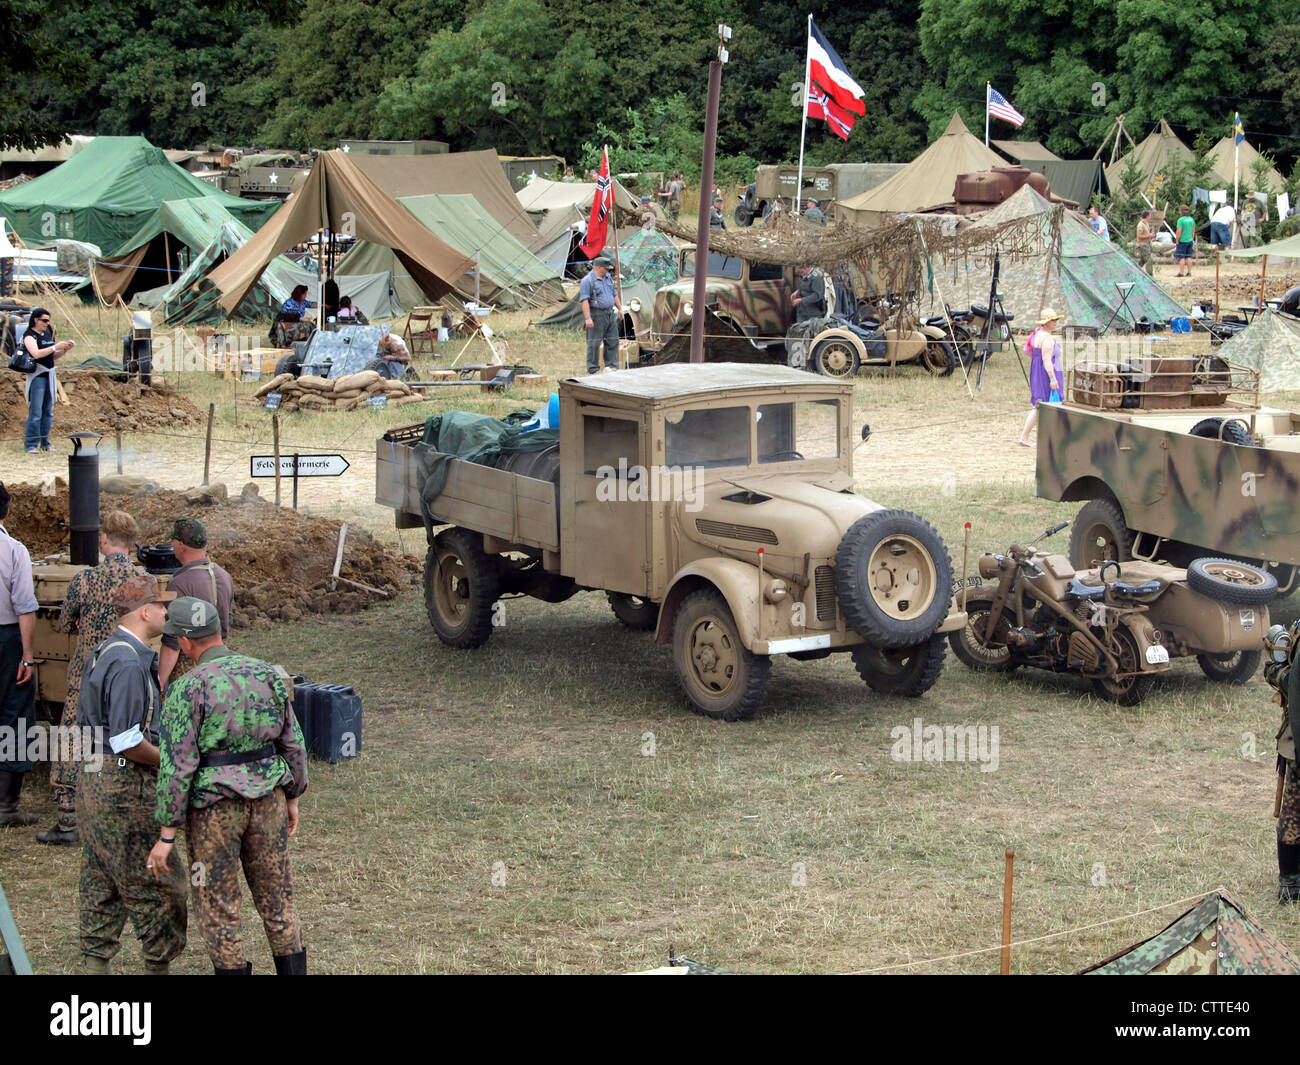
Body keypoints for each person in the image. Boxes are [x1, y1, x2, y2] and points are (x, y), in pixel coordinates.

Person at [149, 597, 309, 975]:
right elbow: (293, 743)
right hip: (268, 800)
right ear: (218, 630)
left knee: (215, 903)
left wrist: (167, 833)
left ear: (185, 643)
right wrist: (293, 795)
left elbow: (177, 765)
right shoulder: (268, 674)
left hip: (213, 816)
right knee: (279, 898)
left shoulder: (185, 689)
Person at [76, 573, 187, 974]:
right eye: (162, 606)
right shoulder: (127, 662)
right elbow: (126, 740)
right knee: (159, 885)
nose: (167, 612)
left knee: (101, 879)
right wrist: (170, 761)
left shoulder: (104, 651)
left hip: (94, 780)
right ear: (144, 611)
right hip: (123, 786)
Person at [37, 510, 142, 846]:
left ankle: (68, 820)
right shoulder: (143, 581)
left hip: (86, 674)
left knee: (73, 739)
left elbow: (66, 623)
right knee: (124, 738)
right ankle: (121, 814)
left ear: (104, 538)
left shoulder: (84, 581)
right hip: (125, 675)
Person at [0, 483, 38, 827]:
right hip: (7, 638)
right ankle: (6, 806)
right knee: (14, 716)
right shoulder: (14, 551)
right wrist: (27, 657)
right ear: (7, 511)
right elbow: (25, 607)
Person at [158, 518, 233, 692]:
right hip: (221, 662)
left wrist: (160, 682)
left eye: (174, 541)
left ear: (181, 545)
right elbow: (227, 623)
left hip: (189, 667)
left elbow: (172, 644)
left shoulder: (179, 583)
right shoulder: (224, 576)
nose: (173, 546)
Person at [20, 307, 75, 453]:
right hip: (38, 377)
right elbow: (36, 354)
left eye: (48, 321)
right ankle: (31, 444)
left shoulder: (46, 334)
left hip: (49, 375)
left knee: (48, 411)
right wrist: (55, 347)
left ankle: (45, 442)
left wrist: (63, 350)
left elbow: (52, 356)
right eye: (44, 320)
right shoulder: (29, 336)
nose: (46, 323)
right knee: (36, 411)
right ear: (36, 320)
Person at [1017, 308, 1066, 447]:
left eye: (1056, 320)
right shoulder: (1047, 339)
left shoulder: (1037, 334)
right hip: (1045, 372)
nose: (1055, 323)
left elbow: (1029, 352)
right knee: (1040, 405)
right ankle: (1025, 436)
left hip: (1037, 370)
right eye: (1052, 320)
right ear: (1046, 322)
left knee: (1040, 405)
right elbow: (1047, 360)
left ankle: (1040, 437)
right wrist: (1052, 378)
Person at [580, 255, 620, 374]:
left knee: (613, 340)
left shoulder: (608, 278)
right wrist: (588, 318)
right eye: (606, 268)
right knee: (594, 343)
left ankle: (611, 367)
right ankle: (593, 369)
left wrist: (620, 309)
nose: (608, 271)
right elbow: (584, 300)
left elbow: (614, 293)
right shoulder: (587, 281)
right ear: (598, 267)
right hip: (596, 314)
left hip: (610, 313)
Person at [1173, 206, 1196, 277]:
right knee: (1189, 256)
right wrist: (1192, 238)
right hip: (1190, 240)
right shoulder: (1191, 219)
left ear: (1181, 212)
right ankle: (1189, 272)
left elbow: (1179, 231)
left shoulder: (1180, 220)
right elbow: (1193, 230)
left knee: (1181, 257)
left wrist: (1177, 240)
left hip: (1182, 241)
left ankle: (1181, 272)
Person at [1134, 210, 1155, 276]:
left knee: (1142, 261)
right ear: (1147, 216)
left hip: (1147, 244)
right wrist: (1149, 235)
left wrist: (1151, 236)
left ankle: (1134, 272)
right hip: (1142, 245)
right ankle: (1150, 275)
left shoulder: (1147, 224)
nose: (1150, 217)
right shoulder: (1141, 225)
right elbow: (1139, 236)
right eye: (1150, 215)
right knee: (1149, 260)